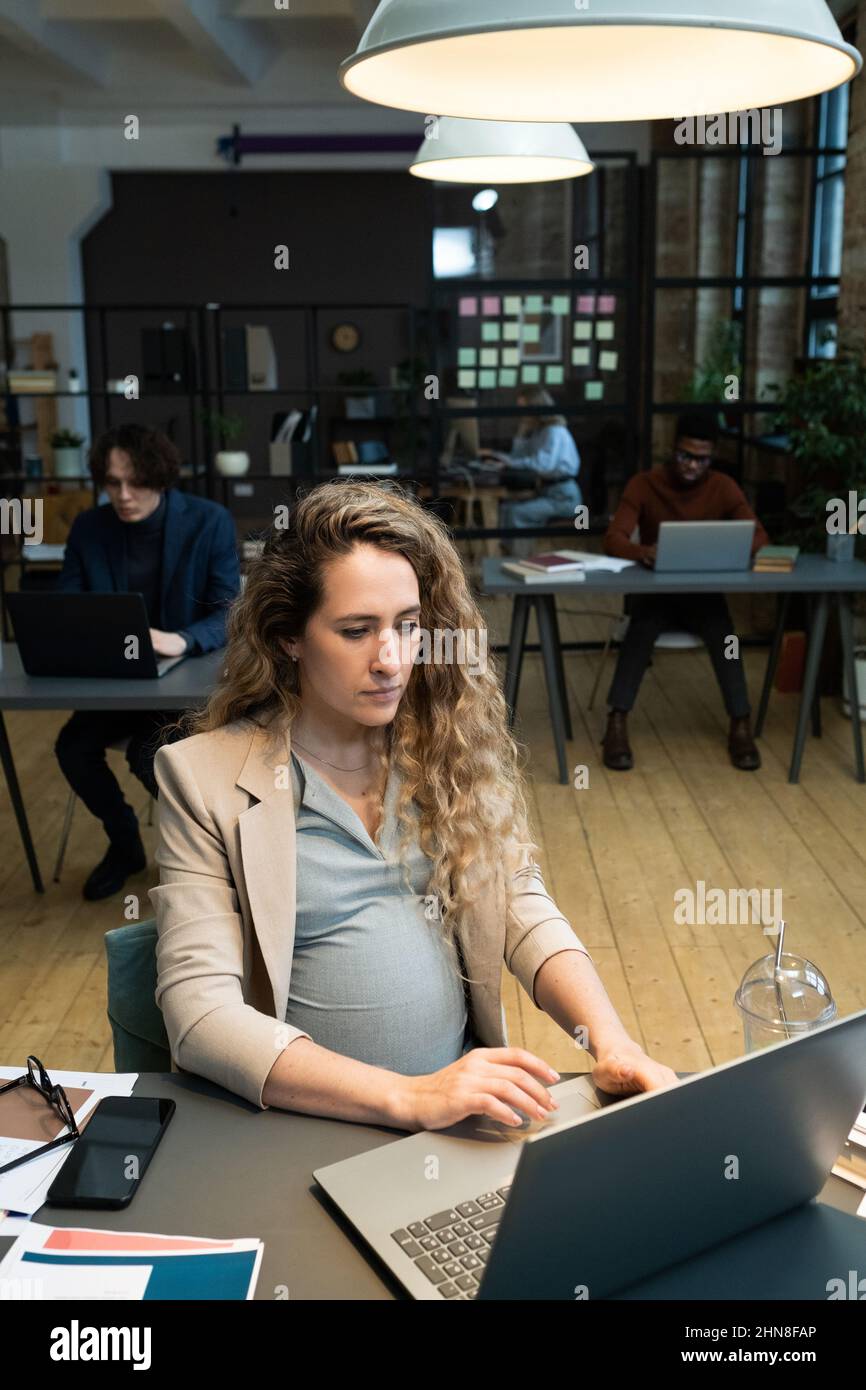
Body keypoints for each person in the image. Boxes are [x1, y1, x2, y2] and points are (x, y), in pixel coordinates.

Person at [150, 480, 679, 1131]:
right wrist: (406, 1096)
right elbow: (201, 1017)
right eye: (356, 631)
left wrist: (608, 1039)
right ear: (288, 636)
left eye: (407, 627)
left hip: (459, 1111)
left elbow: (517, 901)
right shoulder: (201, 778)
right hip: (311, 1125)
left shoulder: (448, 748)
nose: (391, 660)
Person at [55, 424, 240, 901]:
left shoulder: (209, 521)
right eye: (112, 483)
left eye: (134, 482)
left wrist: (181, 639)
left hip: (183, 684)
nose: (122, 495)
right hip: (117, 682)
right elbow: (67, 607)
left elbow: (228, 612)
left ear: (159, 478)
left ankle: (214, 857)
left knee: (150, 754)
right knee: (72, 748)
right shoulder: (89, 528)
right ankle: (125, 843)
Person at [601, 408, 769, 773]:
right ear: (672, 449)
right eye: (685, 455)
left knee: (726, 638)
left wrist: (730, 549)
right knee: (638, 633)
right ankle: (616, 723)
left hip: (703, 595)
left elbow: (759, 536)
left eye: (702, 459)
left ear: (712, 457)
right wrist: (641, 551)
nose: (692, 465)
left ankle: (741, 725)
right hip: (656, 593)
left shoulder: (723, 486)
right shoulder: (644, 484)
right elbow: (613, 538)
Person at [480, 387, 581, 554]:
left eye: (524, 408)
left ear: (537, 407)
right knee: (505, 509)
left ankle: (517, 559)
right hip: (549, 492)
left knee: (517, 513)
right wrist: (520, 432)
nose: (522, 413)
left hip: (563, 497)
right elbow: (518, 456)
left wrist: (507, 463)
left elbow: (542, 465)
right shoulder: (540, 431)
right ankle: (506, 554)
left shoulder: (554, 432)